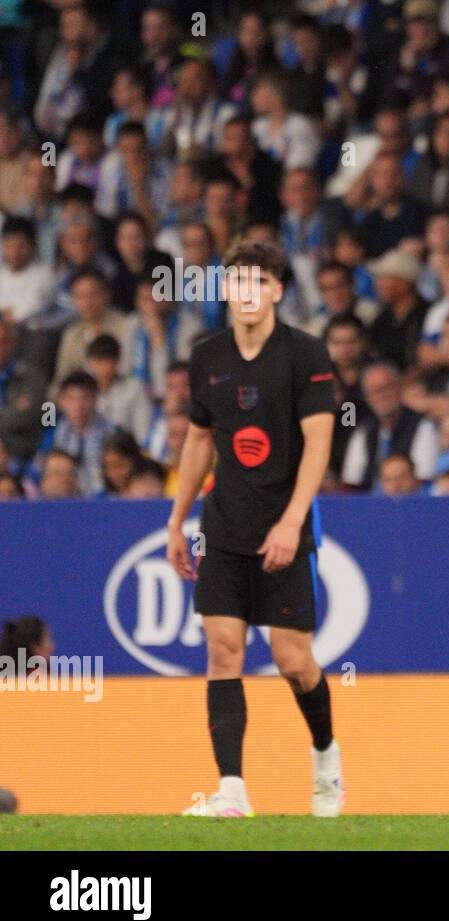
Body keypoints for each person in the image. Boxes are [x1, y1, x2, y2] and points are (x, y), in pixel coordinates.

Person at [166, 240, 342, 819]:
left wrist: (293, 522)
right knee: (223, 652)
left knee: (294, 661)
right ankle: (232, 791)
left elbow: (319, 441)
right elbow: (197, 440)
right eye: (236, 282)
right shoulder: (206, 357)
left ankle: (325, 757)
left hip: (284, 529)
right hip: (224, 529)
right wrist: (176, 520)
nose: (246, 293)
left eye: (257, 282)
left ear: (276, 291)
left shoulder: (305, 354)